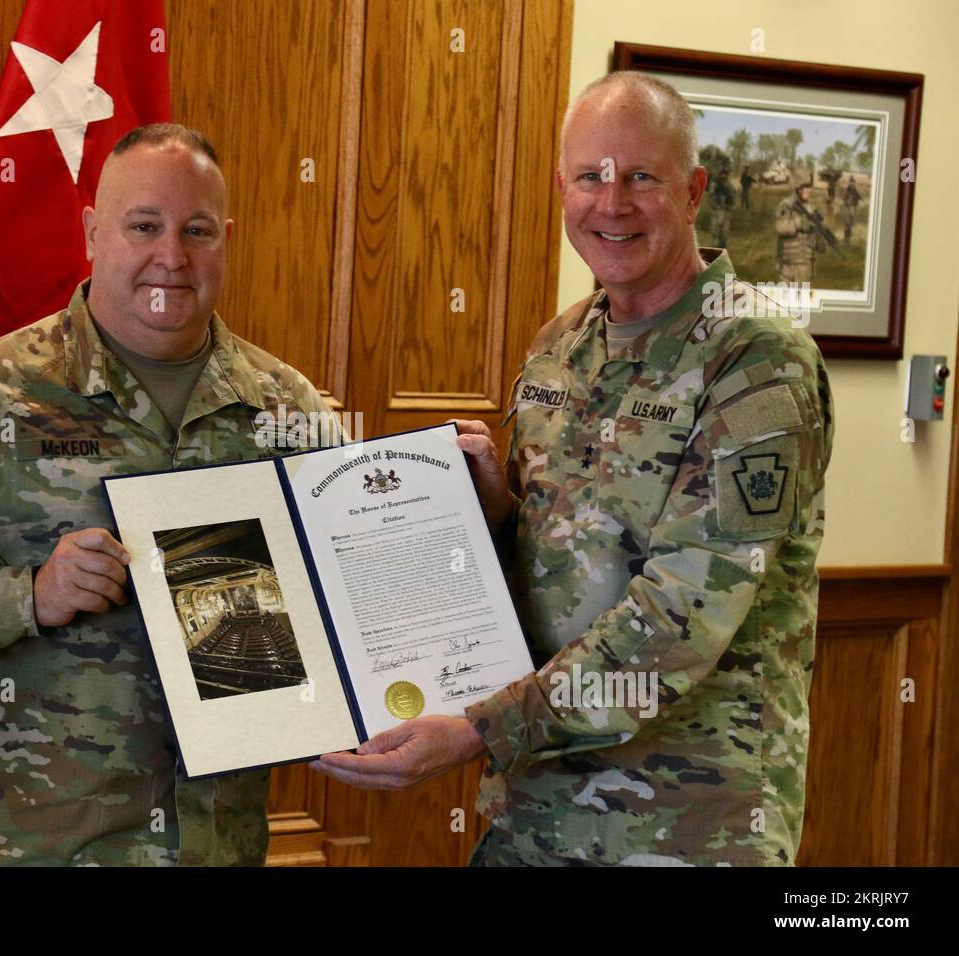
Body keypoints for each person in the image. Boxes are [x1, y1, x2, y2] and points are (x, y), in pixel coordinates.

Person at [313, 72, 834, 867]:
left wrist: (481, 728)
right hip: (536, 813)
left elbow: (683, 616)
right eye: (590, 176)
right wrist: (491, 506)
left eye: (641, 177)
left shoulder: (757, 361)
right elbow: (552, 551)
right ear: (562, 187)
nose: (611, 201)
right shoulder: (559, 347)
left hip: (686, 825)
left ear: (693, 191)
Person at [0, 124, 341, 866]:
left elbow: (346, 600)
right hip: (14, 847)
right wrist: (25, 593)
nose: (172, 257)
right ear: (94, 230)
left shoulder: (288, 408)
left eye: (197, 231)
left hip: (212, 846)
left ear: (227, 238)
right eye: (144, 226)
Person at [776, 178, 825, 282]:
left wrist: (819, 236)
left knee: (801, 295)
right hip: (788, 262)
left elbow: (817, 240)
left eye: (810, 187)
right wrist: (799, 223)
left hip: (805, 261)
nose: (809, 190)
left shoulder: (812, 208)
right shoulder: (787, 204)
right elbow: (780, 228)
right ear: (798, 189)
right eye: (805, 187)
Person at [707, 162, 734, 248]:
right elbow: (711, 197)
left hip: (726, 211)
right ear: (719, 173)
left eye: (725, 173)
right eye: (722, 173)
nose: (724, 175)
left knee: (724, 233)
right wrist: (715, 205)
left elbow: (732, 196)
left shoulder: (729, 185)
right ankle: (714, 250)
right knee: (716, 233)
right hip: (717, 211)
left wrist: (730, 204)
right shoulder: (715, 184)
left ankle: (722, 249)